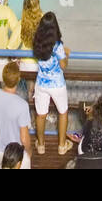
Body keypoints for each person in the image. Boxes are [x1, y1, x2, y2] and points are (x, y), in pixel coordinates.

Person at [29, 11, 72, 156]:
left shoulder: (37, 43)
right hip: (57, 84)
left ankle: (41, 145)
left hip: (41, 83)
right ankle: (61, 145)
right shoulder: (57, 45)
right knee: (63, 112)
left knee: (40, 114)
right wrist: (66, 55)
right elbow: (63, 65)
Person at [0, 62, 31, 167]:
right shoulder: (22, 105)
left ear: (3, 78)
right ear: (18, 79)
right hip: (17, 155)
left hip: (0, 152)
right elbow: (24, 138)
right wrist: (29, 152)